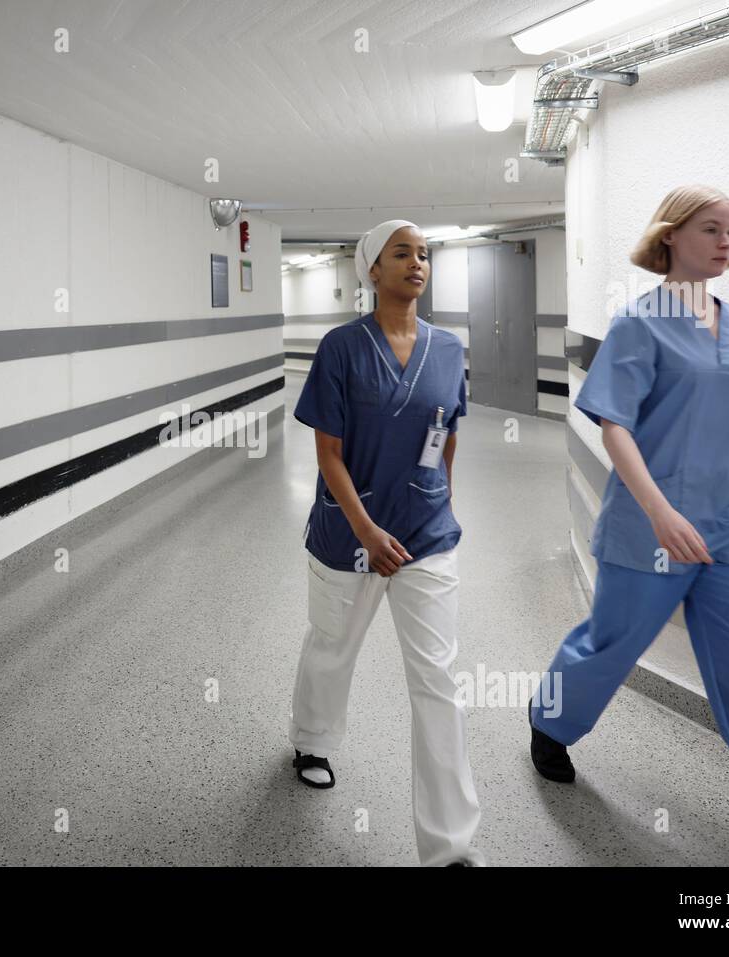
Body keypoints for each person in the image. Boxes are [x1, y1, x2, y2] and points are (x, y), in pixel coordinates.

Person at [529, 185, 729, 866]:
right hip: (651, 527)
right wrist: (661, 511)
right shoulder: (639, 323)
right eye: (711, 228)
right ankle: (549, 721)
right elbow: (614, 426)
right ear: (670, 235)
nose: (727, 240)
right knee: (607, 647)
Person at [289, 219, 484, 867]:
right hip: (350, 531)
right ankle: (312, 739)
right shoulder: (341, 348)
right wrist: (368, 531)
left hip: (426, 536)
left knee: (437, 680)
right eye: (402, 252)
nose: (417, 262)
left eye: (425, 253)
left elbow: (448, 429)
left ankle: (450, 846)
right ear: (372, 270)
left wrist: (442, 501)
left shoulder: (449, 349)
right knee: (331, 645)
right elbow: (329, 452)